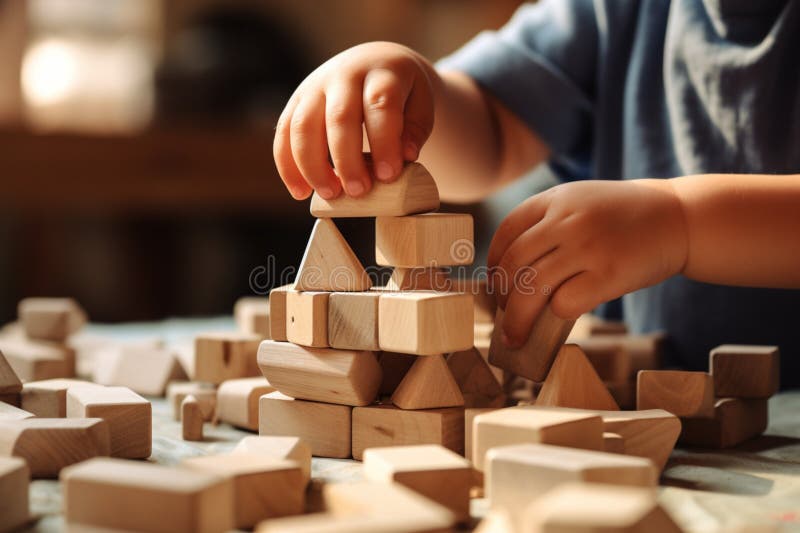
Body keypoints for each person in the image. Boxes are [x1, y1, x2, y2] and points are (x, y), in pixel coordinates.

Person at [272, 0, 800, 387]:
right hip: (656, 404)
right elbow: (491, 133)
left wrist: (679, 223)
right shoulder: (609, 13)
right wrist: (402, 84)